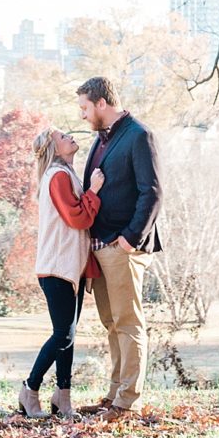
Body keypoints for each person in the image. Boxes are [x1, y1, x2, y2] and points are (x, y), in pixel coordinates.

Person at [75, 75, 163, 419]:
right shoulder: (102, 140)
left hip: (123, 248)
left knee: (128, 323)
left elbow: (152, 193)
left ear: (101, 103)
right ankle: (114, 394)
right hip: (99, 248)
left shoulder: (139, 136)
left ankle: (128, 401)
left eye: (85, 107)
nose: (82, 115)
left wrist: (130, 239)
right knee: (112, 323)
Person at [16, 127, 104, 421]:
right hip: (57, 268)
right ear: (54, 149)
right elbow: (77, 217)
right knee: (62, 334)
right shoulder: (58, 176)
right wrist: (94, 191)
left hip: (69, 267)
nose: (69, 137)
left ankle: (63, 397)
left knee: (68, 335)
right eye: (62, 137)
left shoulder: (65, 174)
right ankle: (30, 388)